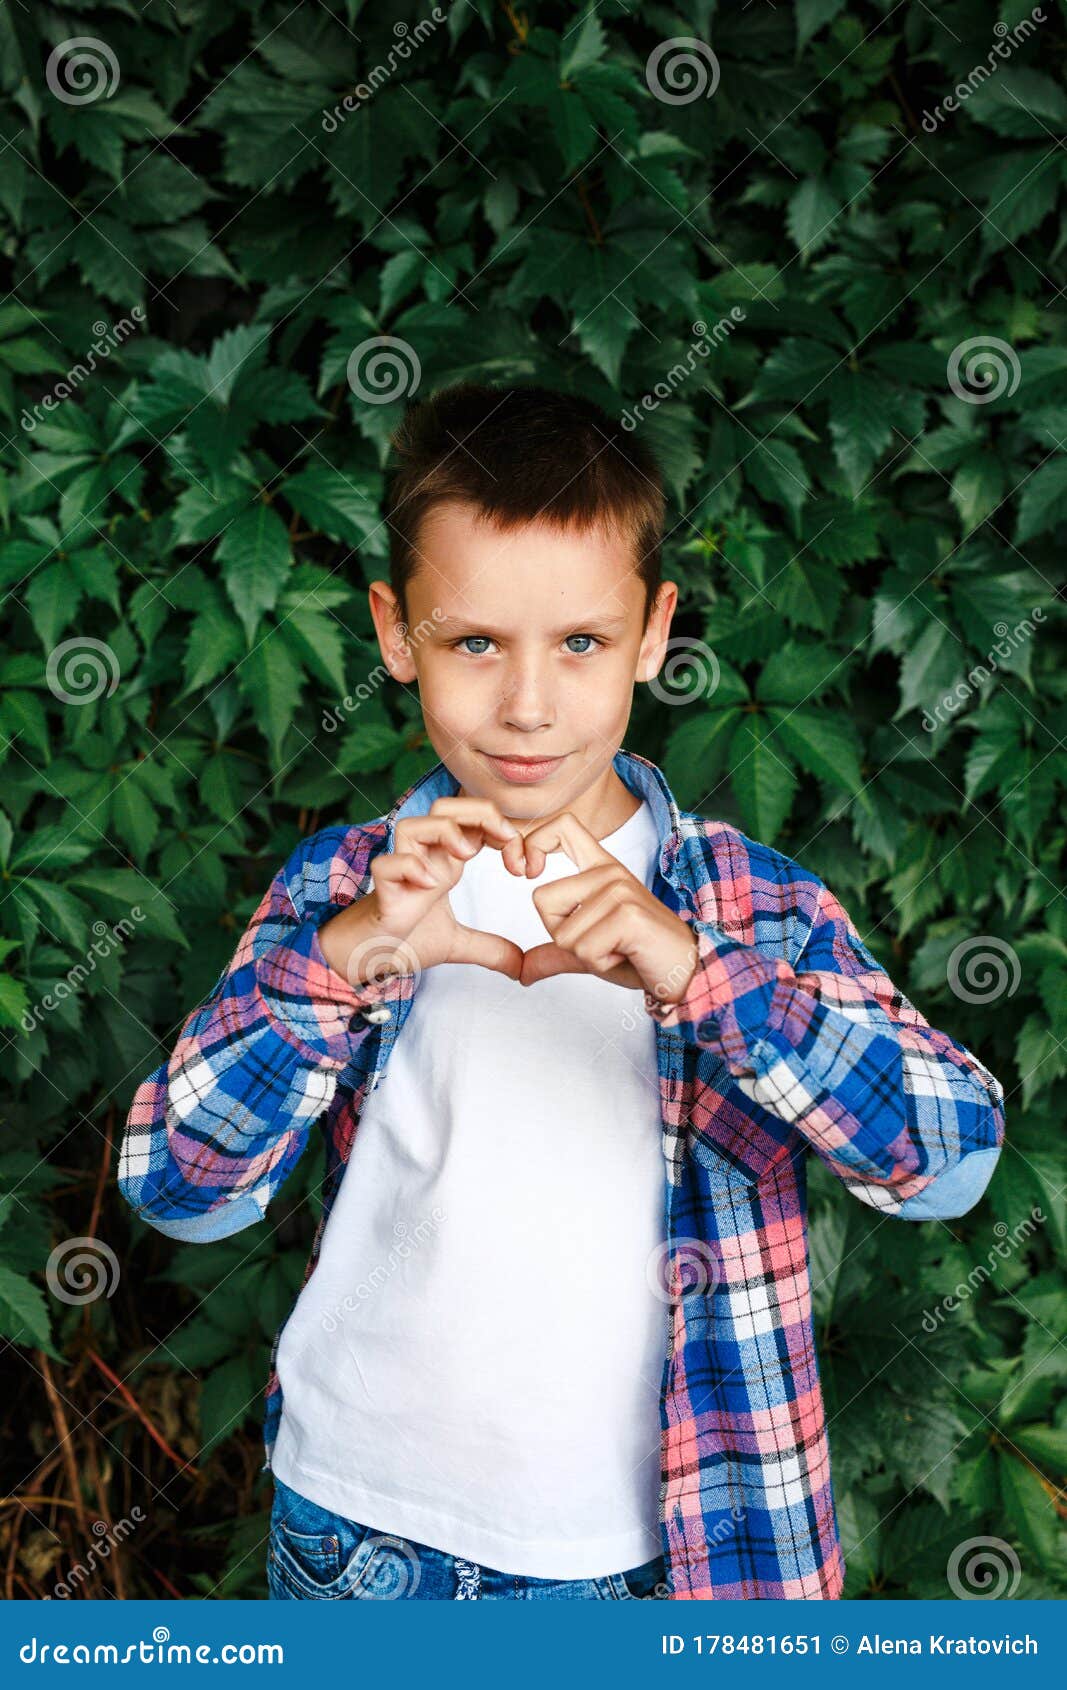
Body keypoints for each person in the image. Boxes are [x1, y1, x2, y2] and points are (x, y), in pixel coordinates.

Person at [118, 382, 1006, 1602]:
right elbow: (179, 1190)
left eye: (580, 643)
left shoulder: (755, 908)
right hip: (366, 1531)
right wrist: (346, 958)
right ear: (394, 633)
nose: (527, 704)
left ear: (651, 632)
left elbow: (948, 1159)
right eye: (474, 641)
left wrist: (706, 981)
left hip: (667, 1554)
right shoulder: (344, 886)